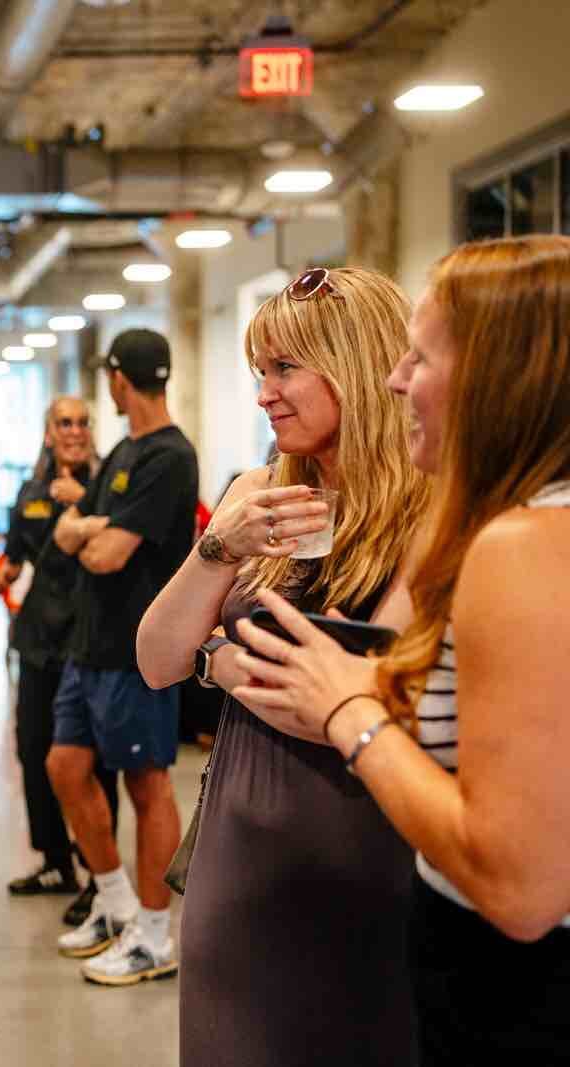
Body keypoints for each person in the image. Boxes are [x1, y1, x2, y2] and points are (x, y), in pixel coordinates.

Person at [229, 236, 570, 1062]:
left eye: (420, 356)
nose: (395, 379)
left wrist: (350, 711)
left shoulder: (521, 545)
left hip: (516, 995)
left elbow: (519, 888)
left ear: (499, 375)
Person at [136, 267, 427, 1063]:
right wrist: (218, 548)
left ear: (358, 365)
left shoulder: (426, 512)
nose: (264, 392)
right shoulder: (259, 491)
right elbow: (158, 657)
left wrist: (222, 657)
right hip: (239, 844)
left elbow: (342, 694)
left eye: (285, 368)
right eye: (259, 371)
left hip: (360, 844)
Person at [46, 328, 198, 986]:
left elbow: (104, 550)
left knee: (147, 783)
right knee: (66, 766)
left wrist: (89, 530)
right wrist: (91, 528)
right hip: (90, 645)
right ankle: (114, 904)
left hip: (138, 649)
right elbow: (71, 527)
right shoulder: (126, 453)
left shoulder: (169, 456)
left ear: (119, 380)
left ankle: (156, 936)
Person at [0, 397, 119, 917]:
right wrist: (6, 570)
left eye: (83, 422)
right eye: (64, 423)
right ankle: (54, 859)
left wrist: (84, 500)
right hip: (38, 638)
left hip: (87, 639)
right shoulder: (32, 489)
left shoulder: (109, 482)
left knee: (91, 759)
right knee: (33, 748)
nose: (75, 431)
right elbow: (18, 547)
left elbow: (122, 538)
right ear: (48, 432)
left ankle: (99, 874)